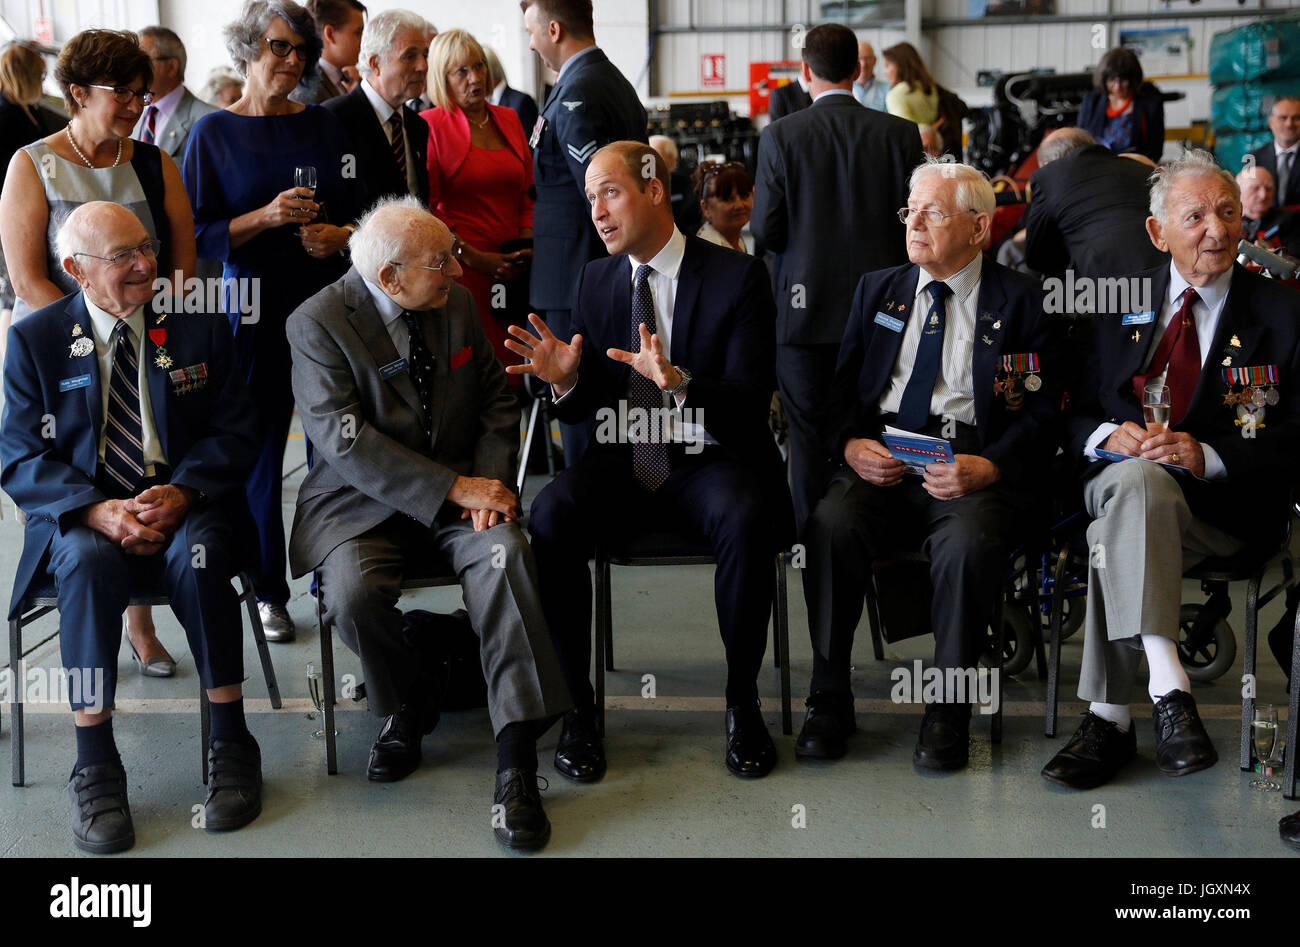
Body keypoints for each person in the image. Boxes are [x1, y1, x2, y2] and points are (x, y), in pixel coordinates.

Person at [286, 197, 570, 850]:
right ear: (390, 277)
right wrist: (450, 484)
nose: (455, 269)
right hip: (361, 501)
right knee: (352, 593)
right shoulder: (317, 322)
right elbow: (346, 440)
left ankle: (516, 759)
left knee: (504, 557)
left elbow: (498, 400)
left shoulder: (456, 303)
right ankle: (407, 702)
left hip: (461, 492)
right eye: (442, 261)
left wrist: (485, 487)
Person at [512, 141, 794, 781]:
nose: (598, 212)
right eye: (589, 199)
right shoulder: (596, 278)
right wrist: (564, 382)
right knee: (551, 512)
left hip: (708, 456)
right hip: (623, 456)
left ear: (655, 190)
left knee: (745, 516)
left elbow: (750, 403)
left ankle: (742, 701)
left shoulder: (737, 277)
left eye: (609, 192)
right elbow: (585, 410)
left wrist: (681, 382)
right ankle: (578, 711)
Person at [0, 202, 264, 853]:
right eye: (123, 256)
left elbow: (239, 428)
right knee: (88, 564)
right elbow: (17, 454)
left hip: (187, 504)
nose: (146, 264)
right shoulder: (35, 342)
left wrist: (184, 489)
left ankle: (230, 738)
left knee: (200, 557)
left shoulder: (199, 327)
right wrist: (96, 509)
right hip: (84, 514)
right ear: (76, 270)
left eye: (145, 247)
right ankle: (94, 760)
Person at [1041, 149, 1300, 790]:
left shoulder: (1282, 313)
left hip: (1223, 508)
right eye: (1196, 216)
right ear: (1158, 232)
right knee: (1135, 481)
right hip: (1116, 477)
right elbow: (1057, 405)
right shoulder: (1112, 293)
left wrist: (1207, 455)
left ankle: (1110, 718)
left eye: (1228, 212)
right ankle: (1168, 687)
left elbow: (1294, 435)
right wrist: (1107, 434)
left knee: (1122, 525)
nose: (1218, 229)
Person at [797, 161, 1056, 768]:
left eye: (932, 212)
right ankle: (829, 696)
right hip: (885, 456)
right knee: (830, 524)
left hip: (970, 461)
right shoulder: (878, 289)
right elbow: (838, 397)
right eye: (909, 210)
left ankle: (949, 707)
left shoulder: (1021, 301)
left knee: (966, 543)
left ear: (978, 228)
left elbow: (1044, 416)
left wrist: (988, 467)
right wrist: (849, 447)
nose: (913, 223)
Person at [0, 29, 198, 673]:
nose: (138, 105)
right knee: (82, 472)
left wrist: (139, 328)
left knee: (143, 465)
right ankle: (97, 621)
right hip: (63, 354)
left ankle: (140, 622)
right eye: (124, 93)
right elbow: (28, 276)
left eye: (144, 93)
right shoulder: (33, 164)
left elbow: (182, 264)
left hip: (144, 342)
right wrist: (88, 336)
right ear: (79, 92)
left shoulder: (151, 161)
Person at [184, 0, 362, 643]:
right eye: (279, 48)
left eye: (301, 52)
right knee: (256, 456)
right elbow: (198, 236)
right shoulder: (212, 134)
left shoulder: (323, 126)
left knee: (334, 448)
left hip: (322, 307)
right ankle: (266, 589)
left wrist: (337, 236)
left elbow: (358, 213)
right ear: (247, 47)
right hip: (251, 310)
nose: (291, 62)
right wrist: (265, 217)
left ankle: (333, 578)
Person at [752, 22, 923, 533]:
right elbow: (915, 224)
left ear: (805, 72)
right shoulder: (899, 134)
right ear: (857, 70)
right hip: (886, 314)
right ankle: (881, 540)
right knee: (880, 426)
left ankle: (812, 547)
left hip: (805, 317)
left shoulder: (780, 135)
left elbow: (766, 229)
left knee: (807, 437)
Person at [522, 0, 648, 467]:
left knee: (579, 405)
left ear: (553, 29)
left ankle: (587, 514)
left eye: (533, 31)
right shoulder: (610, 80)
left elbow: (600, 197)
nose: (531, 42)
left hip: (576, 274)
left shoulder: (579, 91)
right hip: (593, 272)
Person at [422, 28, 534, 380]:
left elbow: (527, 192)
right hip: (462, 271)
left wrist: (524, 248)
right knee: (472, 376)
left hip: (515, 270)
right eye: (462, 71)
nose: (476, 78)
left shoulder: (509, 118)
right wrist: (473, 256)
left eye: (480, 66)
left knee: (514, 372)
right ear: (443, 78)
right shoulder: (430, 125)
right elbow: (426, 209)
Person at [1022, 127, 1168, 281]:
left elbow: (1037, 258)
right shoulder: (1141, 168)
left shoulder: (1048, 176)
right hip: (1168, 272)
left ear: (1048, 163)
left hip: (1104, 284)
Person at [323, 8, 429, 213]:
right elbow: (335, 199)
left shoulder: (418, 126)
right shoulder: (335, 119)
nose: (423, 66)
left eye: (425, 55)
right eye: (409, 56)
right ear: (376, 63)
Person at [0, 43, 62, 340]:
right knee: (13, 289)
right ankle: (10, 359)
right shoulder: (5, 114)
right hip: (11, 211)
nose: (42, 83)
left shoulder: (33, 108)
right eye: (38, 76)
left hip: (32, 207)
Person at [133, 27, 216, 166]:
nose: (135, 69)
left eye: (143, 61)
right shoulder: (131, 115)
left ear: (172, 67)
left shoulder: (209, 121)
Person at [1077, 47, 1164, 165]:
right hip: (1096, 167)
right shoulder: (1091, 101)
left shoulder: (1151, 105)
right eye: (1112, 80)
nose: (1117, 86)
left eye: (1123, 80)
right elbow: (1081, 141)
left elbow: (1155, 150)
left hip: (1135, 169)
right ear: (1103, 79)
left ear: (1133, 79)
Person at [297, 0, 366, 104]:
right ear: (330, 34)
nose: (363, 42)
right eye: (357, 33)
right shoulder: (308, 92)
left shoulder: (341, 80)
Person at [1249, 97, 1300, 209]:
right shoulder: (1252, 158)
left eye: (1296, 118)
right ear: (1271, 121)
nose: (1289, 124)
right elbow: (1247, 195)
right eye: (1283, 118)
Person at [1239, 165, 1300, 259]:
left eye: (1269, 189)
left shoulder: (1290, 220)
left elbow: (1294, 260)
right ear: (1238, 191)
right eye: (1255, 188)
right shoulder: (1225, 220)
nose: (1263, 195)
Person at [693, 160, 753, 254]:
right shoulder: (711, 251)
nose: (739, 205)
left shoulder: (735, 239)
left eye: (744, 196)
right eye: (728, 199)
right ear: (705, 208)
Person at [649, 133, 700, 237]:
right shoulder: (639, 186)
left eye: (656, 156)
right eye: (647, 157)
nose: (650, 162)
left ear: (673, 161)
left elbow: (693, 218)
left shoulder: (688, 184)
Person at [485, 45, 539, 142]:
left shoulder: (522, 102)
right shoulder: (480, 105)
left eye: (478, 68)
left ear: (489, 71)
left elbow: (531, 146)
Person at [882, 42, 938, 126]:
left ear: (899, 65)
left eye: (887, 66)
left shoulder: (896, 95)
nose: (885, 72)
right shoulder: (931, 88)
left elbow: (904, 132)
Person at [853, 40, 888, 112]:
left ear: (875, 60)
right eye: (859, 59)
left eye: (867, 58)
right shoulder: (845, 90)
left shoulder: (888, 90)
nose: (863, 64)